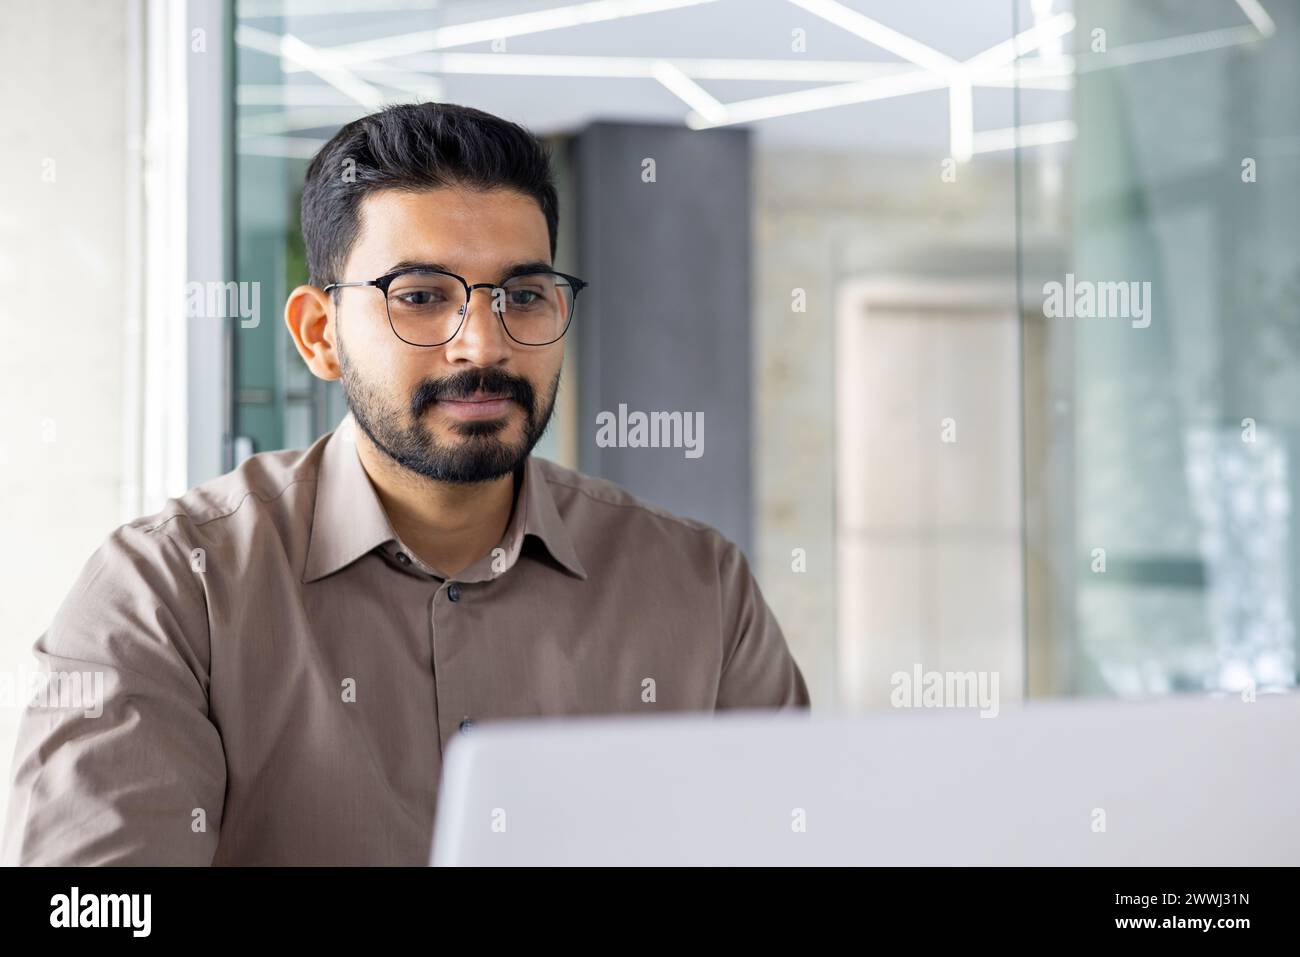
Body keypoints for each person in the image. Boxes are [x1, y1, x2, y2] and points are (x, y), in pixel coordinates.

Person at [2, 102, 809, 865]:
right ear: (320, 334)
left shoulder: (698, 586)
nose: (482, 345)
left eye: (523, 295)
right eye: (421, 297)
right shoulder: (172, 590)